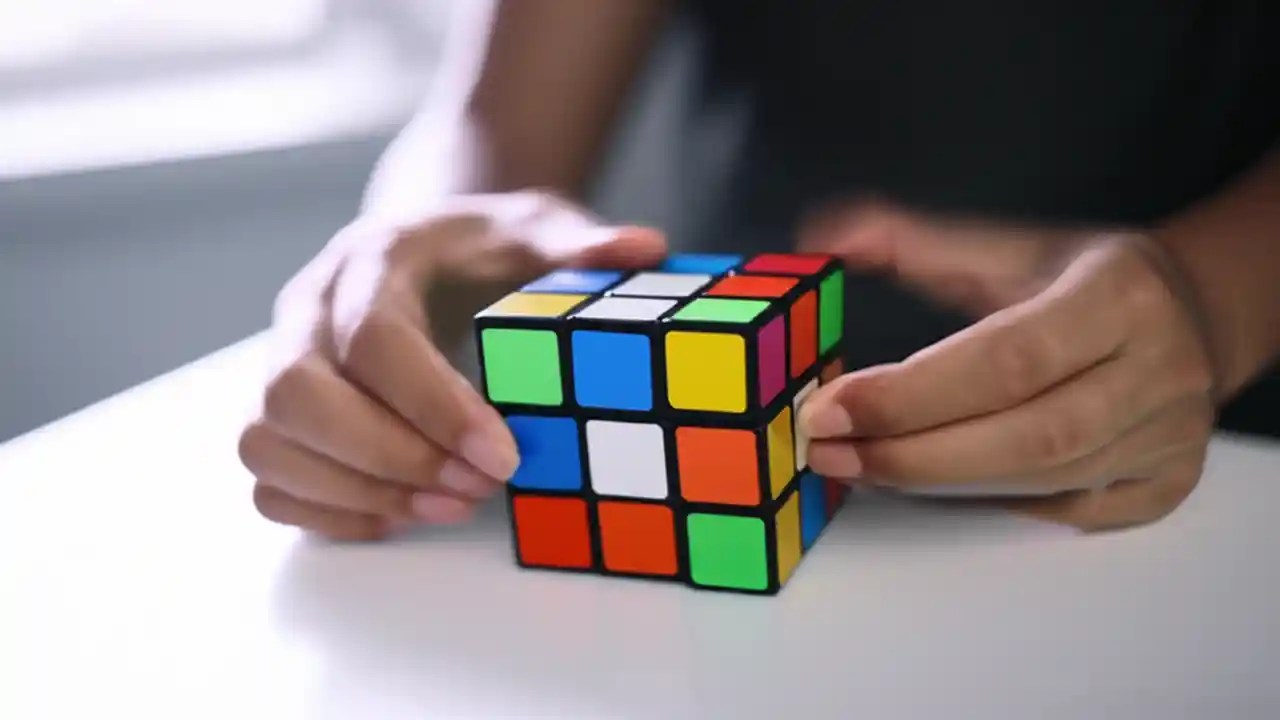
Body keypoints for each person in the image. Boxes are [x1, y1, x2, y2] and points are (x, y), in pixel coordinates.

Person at [237, 1, 1280, 541]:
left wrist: (1210, 300)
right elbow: (490, 128)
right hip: (721, 446)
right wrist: (410, 244)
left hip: (1210, 469)